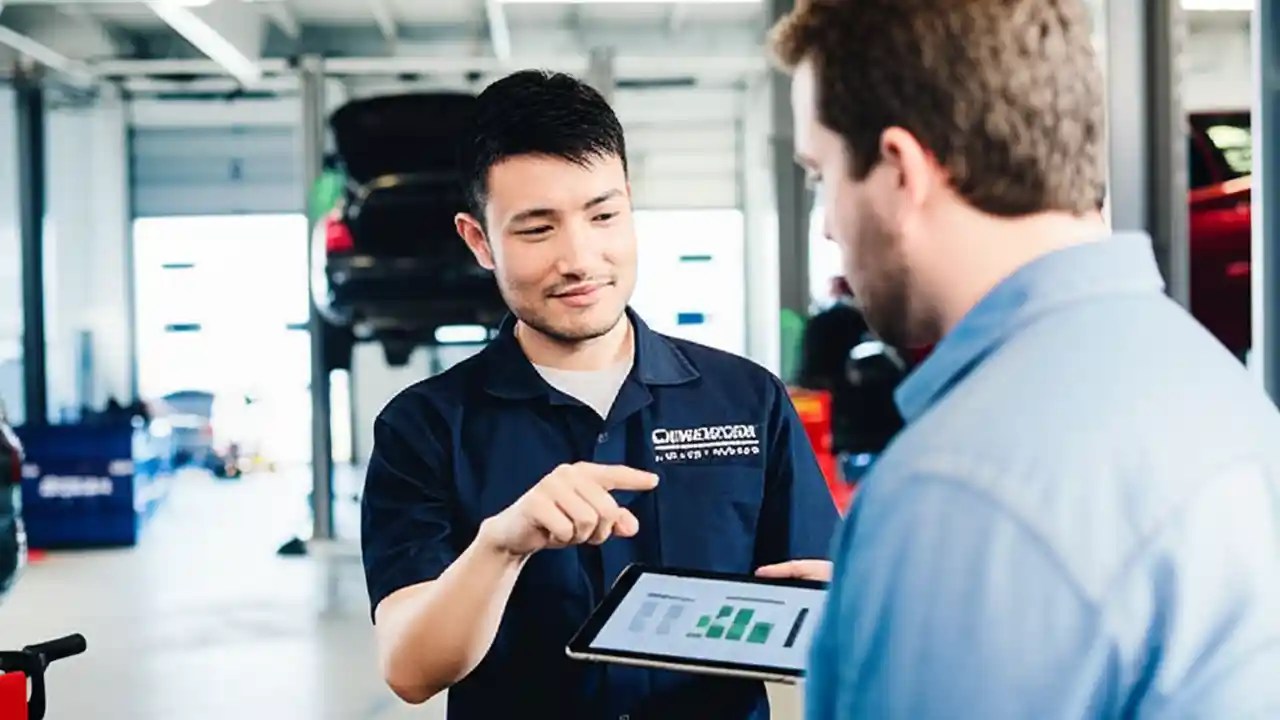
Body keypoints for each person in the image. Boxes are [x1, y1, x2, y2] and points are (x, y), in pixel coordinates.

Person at [769, 1, 1280, 718]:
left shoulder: (959, 490)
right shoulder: (1205, 379)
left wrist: (919, 582)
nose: (827, 225)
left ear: (900, 171)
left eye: (821, 175)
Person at [360, 69, 839, 720]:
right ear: (479, 240)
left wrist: (851, 610)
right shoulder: (426, 427)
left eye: (603, 215)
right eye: (537, 229)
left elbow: (821, 611)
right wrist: (501, 548)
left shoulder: (747, 401)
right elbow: (412, 671)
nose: (581, 259)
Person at [796, 276, 904, 471]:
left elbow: (809, 378)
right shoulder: (880, 323)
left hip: (844, 428)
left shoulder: (824, 323)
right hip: (884, 427)